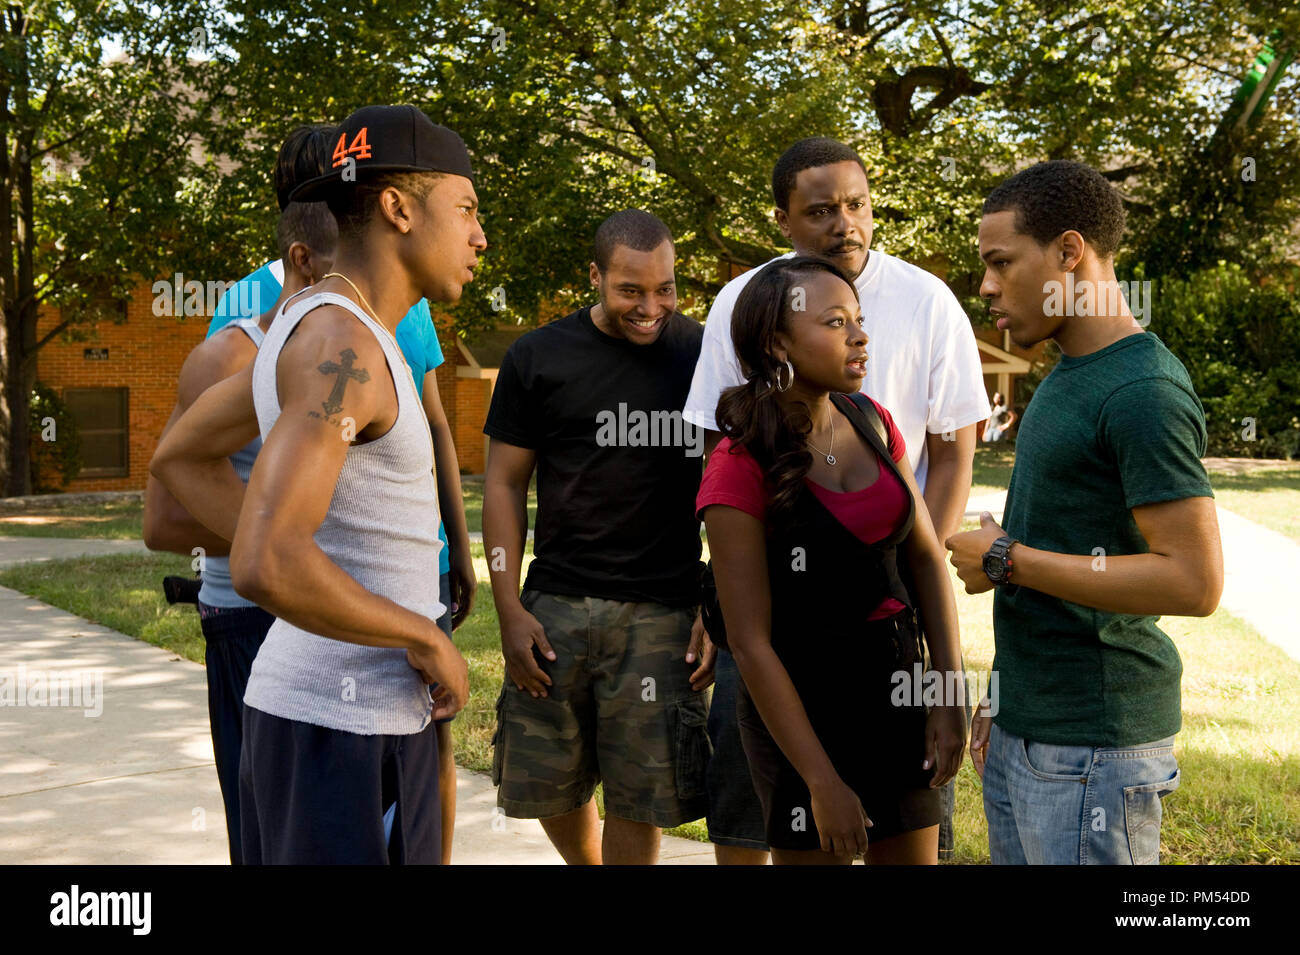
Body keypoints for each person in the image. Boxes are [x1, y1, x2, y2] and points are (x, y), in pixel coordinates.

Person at [151, 105, 484, 864]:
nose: (479, 235)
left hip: (361, 721)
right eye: (465, 209)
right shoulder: (343, 346)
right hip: (334, 730)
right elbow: (266, 561)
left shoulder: (330, 324)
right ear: (398, 208)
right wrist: (420, 633)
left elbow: (178, 454)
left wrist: (327, 565)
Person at [683, 137, 988, 863]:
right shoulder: (738, 461)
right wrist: (820, 779)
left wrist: (944, 692)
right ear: (778, 345)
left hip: (891, 670)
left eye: (859, 319)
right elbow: (753, 640)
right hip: (795, 690)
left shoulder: (872, 419)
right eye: (836, 324)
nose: (861, 337)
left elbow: (923, 547)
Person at [946, 159, 1224, 865]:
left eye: (1001, 261)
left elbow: (1193, 580)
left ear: (1069, 253)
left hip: (1093, 750)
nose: (985, 285)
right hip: (1030, 731)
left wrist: (1008, 559)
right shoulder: (1070, 375)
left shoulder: (1142, 390)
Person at [482, 209, 713, 865]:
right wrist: (508, 605)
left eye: (664, 288)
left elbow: (734, 485)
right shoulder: (537, 357)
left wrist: (716, 603)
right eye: (630, 290)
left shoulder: (702, 355)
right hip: (558, 604)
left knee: (643, 794)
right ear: (595, 276)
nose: (650, 307)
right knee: (542, 780)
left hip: (665, 606)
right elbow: (502, 485)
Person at [142, 125, 337, 863]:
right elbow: (163, 521)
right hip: (252, 624)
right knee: (271, 841)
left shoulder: (365, 337)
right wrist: (285, 547)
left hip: (339, 616)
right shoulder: (233, 349)